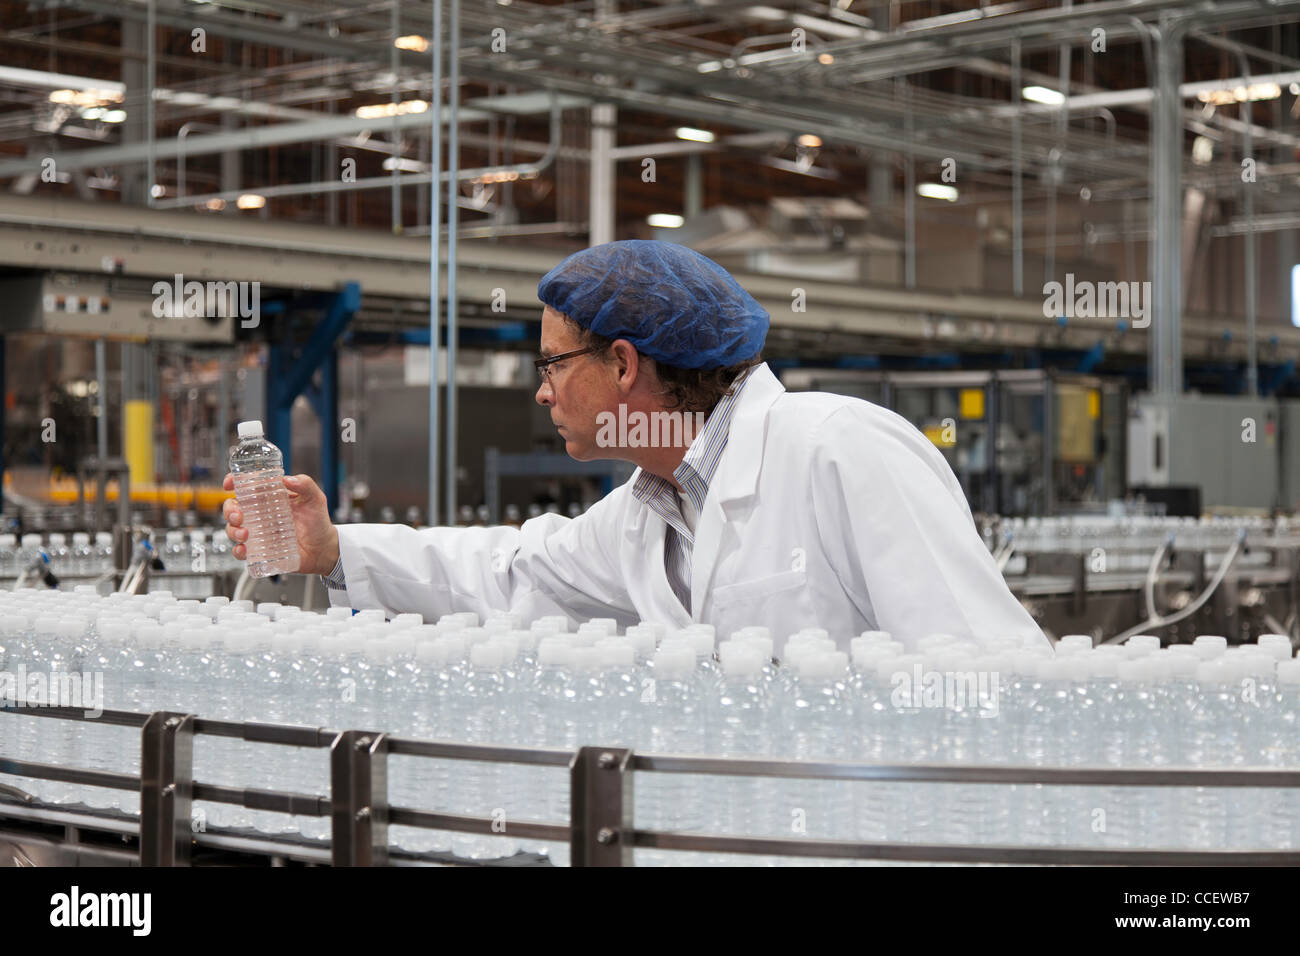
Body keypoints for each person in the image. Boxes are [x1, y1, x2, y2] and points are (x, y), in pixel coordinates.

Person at [224, 240, 1047, 653]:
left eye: (552, 363)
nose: (542, 392)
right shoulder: (648, 509)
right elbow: (509, 575)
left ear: (623, 365)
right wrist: (333, 550)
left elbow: (986, 674)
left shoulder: (839, 450)